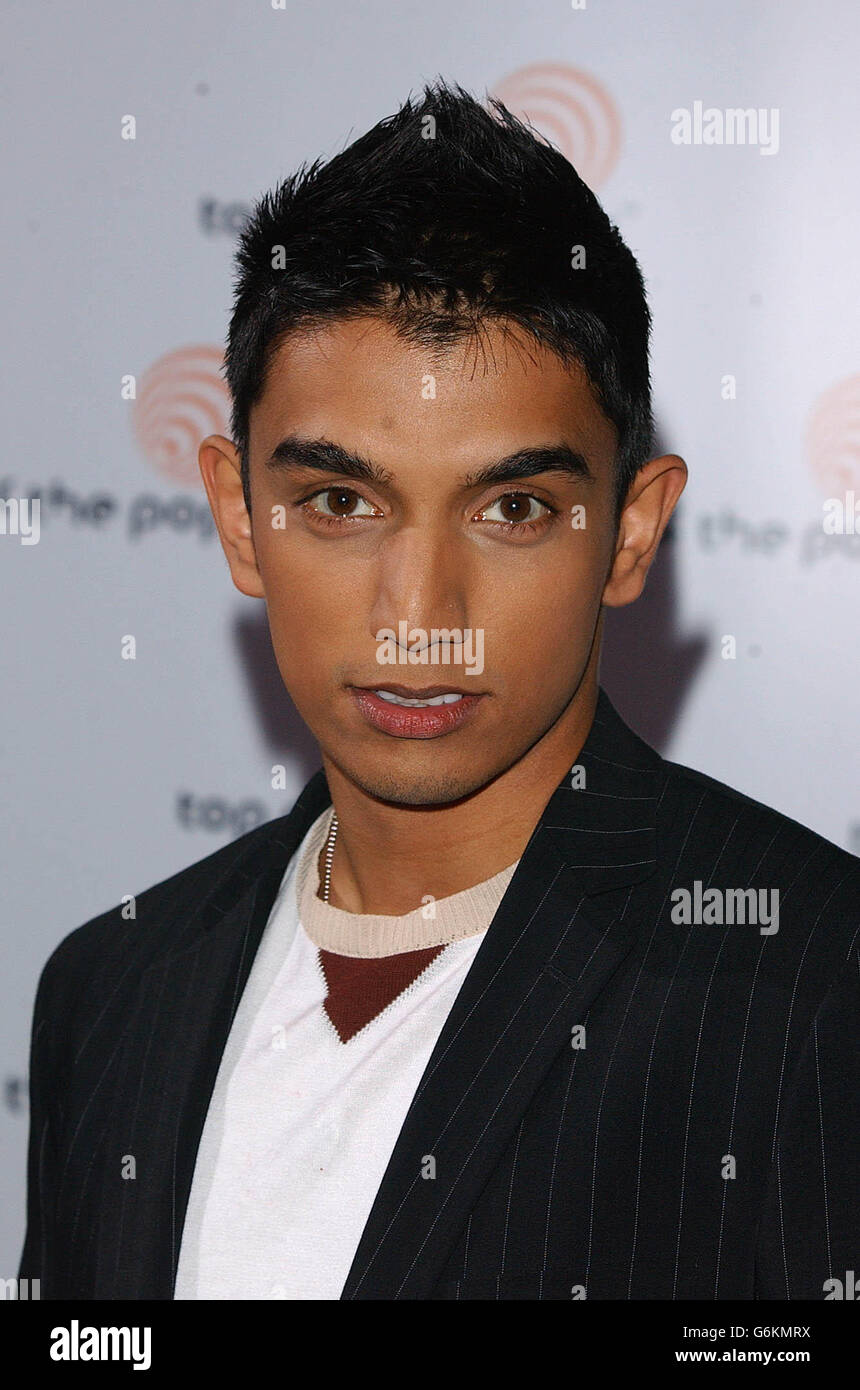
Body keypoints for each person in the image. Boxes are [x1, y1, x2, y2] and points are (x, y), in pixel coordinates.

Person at [19, 79, 859, 1300]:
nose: (419, 618)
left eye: (511, 508)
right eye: (340, 503)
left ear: (629, 533)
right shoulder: (109, 994)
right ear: (237, 517)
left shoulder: (811, 990)